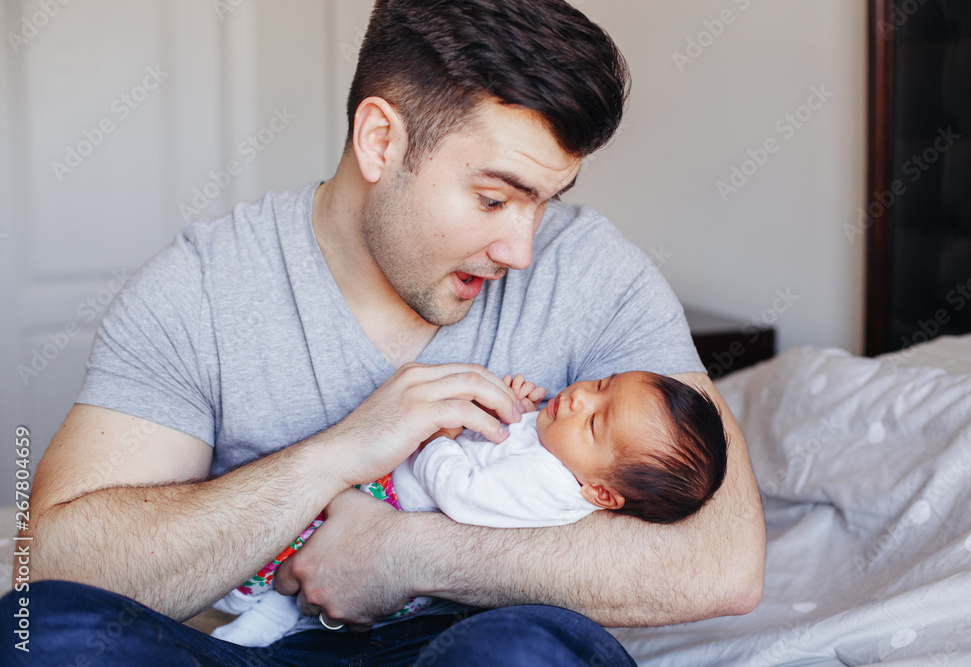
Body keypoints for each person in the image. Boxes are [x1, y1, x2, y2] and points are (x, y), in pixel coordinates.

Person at [3, 0, 765, 665]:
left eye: (547, 201)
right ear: (380, 141)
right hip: (257, 644)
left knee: (525, 652)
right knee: (41, 636)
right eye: (495, 198)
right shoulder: (201, 288)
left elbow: (724, 561)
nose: (523, 251)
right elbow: (57, 570)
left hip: (476, 647)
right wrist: (337, 453)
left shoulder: (593, 272)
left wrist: (402, 552)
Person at [211, 370, 729, 647]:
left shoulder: (550, 485)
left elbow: (463, 492)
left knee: (309, 536)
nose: (578, 401)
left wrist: (434, 438)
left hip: (400, 503)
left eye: (595, 422)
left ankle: (255, 610)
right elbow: (508, 440)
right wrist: (522, 407)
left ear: (601, 495)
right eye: (599, 386)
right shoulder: (562, 453)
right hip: (391, 495)